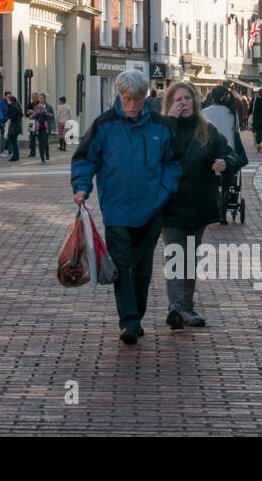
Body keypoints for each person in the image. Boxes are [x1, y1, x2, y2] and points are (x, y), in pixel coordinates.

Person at [72, 69, 182, 346]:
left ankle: (137, 316)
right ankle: (129, 322)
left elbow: (173, 163)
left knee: (142, 268)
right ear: (119, 96)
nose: (132, 105)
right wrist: (82, 186)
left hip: (151, 208)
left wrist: (165, 189)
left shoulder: (161, 126)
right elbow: (85, 158)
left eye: (137, 98)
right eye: (127, 98)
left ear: (146, 97)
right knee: (122, 266)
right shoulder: (104, 125)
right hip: (117, 210)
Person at [161, 82, 242, 329]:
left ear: (195, 102)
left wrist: (225, 162)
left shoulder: (207, 129)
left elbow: (233, 155)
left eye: (187, 98)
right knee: (175, 256)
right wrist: (171, 122)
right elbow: (154, 156)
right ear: (169, 103)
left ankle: (186, 307)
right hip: (170, 204)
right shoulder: (161, 130)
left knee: (189, 258)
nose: (183, 103)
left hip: (198, 203)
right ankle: (175, 308)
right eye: (178, 99)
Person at [203, 85, 248, 168]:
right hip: (229, 152)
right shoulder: (232, 113)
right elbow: (236, 131)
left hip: (209, 151)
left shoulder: (204, 113)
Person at [30, 96, 53, 163]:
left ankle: (47, 154)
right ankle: (42, 156)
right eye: (40, 98)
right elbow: (33, 116)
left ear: (45, 99)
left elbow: (52, 116)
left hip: (46, 127)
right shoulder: (36, 107)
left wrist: (45, 112)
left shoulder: (49, 107)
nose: (41, 99)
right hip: (38, 127)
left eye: (42, 98)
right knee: (40, 143)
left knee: (45, 141)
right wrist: (34, 114)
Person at [4, 96, 23, 162]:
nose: (7, 101)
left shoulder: (13, 107)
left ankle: (15, 156)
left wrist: (9, 117)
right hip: (16, 126)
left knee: (13, 142)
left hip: (14, 127)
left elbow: (13, 117)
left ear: (11, 101)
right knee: (14, 142)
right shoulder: (15, 106)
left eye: (8, 100)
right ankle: (15, 155)